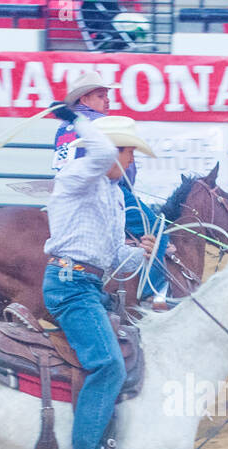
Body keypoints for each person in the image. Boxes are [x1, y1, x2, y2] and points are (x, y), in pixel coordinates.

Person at [44, 107, 158, 449]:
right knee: (107, 363)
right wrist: (77, 120)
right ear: (112, 151)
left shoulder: (110, 195)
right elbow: (99, 154)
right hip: (68, 285)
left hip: (87, 284)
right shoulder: (78, 177)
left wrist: (140, 255)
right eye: (130, 155)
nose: (131, 164)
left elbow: (111, 256)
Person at [52, 70, 170, 303]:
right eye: (100, 95)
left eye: (107, 95)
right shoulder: (101, 125)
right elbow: (123, 168)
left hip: (68, 190)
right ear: (84, 99)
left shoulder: (63, 128)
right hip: (104, 187)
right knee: (157, 229)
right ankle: (153, 293)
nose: (107, 100)